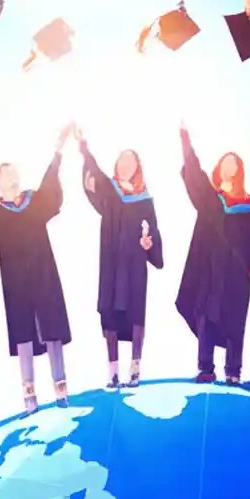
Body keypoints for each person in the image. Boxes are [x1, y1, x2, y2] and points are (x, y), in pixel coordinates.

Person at [0, 126, 71, 413]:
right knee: (23, 330)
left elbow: (50, 185)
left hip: (44, 271)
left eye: (13, 173)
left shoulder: (34, 199)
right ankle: (29, 394)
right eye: (5, 174)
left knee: (51, 323)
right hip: (15, 278)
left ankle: (61, 387)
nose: (12, 177)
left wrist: (57, 150)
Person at [176, 121, 250, 384]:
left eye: (234, 164)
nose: (229, 167)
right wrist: (185, 139)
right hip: (209, 265)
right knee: (205, 313)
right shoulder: (210, 197)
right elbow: (194, 173)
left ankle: (233, 371)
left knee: (235, 317)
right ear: (219, 169)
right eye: (225, 163)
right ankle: (206, 368)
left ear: (240, 171)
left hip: (237, 269)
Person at [76, 126, 164, 388]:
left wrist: (150, 244)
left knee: (136, 311)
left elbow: (154, 231)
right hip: (112, 260)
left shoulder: (145, 199)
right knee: (111, 310)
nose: (126, 165)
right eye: (122, 160)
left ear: (138, 168)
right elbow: (95, 176)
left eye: (131, 161)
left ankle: (135, 368)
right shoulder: (110, 191)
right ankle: (113, 371)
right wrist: (84, 147)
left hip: (135, 263)